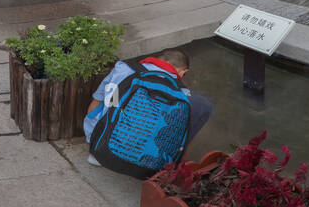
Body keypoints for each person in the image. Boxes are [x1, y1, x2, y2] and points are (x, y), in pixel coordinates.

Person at [80, 47, 214, 179]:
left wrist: (92, 138)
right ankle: (165, 172)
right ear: (183, 72)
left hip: (101, 149)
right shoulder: (182, 94)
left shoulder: (123, 69)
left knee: (107, 103)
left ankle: (95, 153)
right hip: (146, 167)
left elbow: (96, 103)